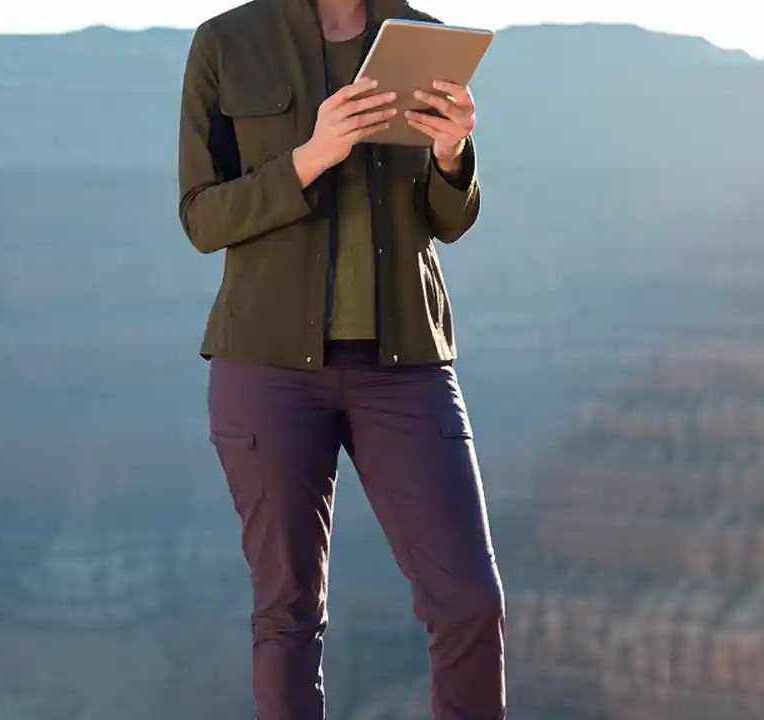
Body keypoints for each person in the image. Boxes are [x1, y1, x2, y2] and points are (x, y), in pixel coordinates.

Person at [176, 0, 505, 717]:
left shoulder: (424, 40)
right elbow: (201, 216)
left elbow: (447, 220)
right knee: (288, 613)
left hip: (405, 366)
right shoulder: (226, 43)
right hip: (266, 367)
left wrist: (453, 155)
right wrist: (311, 157)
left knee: (470, 602)